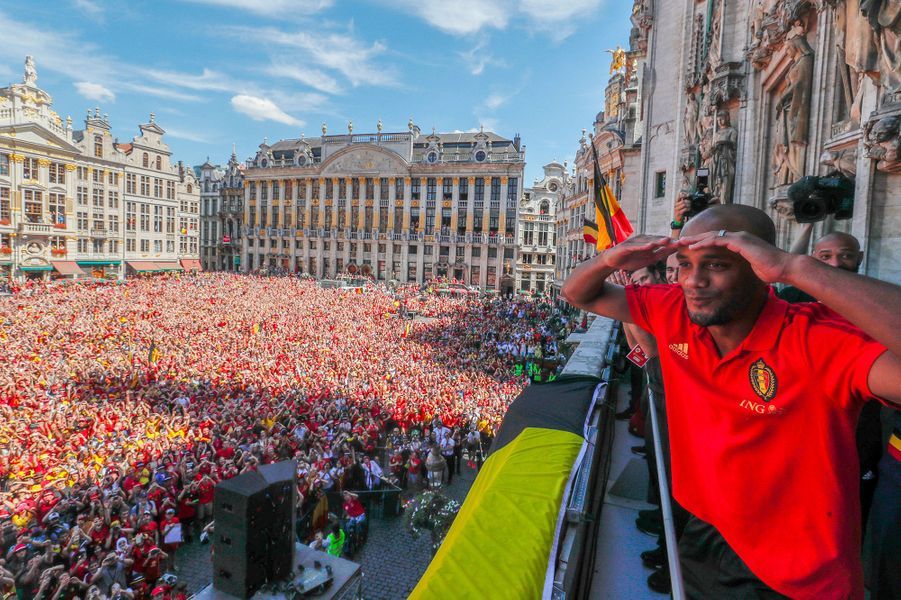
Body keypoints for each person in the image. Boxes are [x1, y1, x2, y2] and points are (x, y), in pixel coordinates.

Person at [561, 204, 899, 599]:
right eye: (684, 264)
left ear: (761, 267)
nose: (692, 282)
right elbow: (578, 292)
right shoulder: (674, 310)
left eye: (716, 265)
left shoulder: (817, 337)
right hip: (705, 533)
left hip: (795, 574)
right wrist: (609, 259)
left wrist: (795, 268)